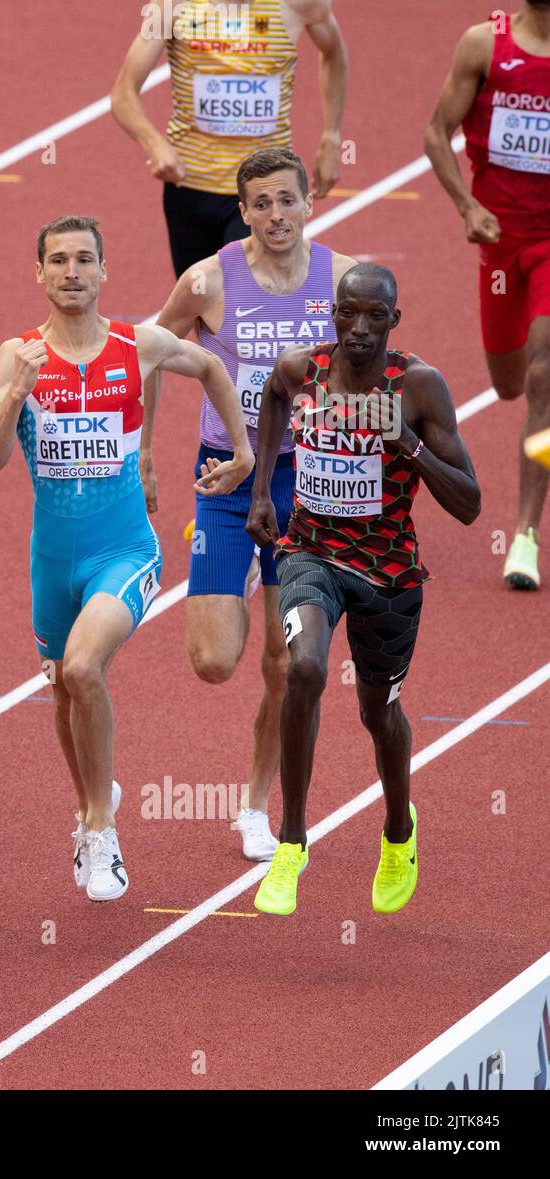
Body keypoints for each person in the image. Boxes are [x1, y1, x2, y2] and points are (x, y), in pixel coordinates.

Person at [0, 215, 254, 901]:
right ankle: (91, 802)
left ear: (103, 272)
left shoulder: (141, 343)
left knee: (82, 666)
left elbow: (213, 365)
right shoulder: (19, 356)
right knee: (66, 691)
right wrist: (14, 394)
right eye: (58, 260)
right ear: (38, 273)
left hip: (125, 551)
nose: (71, 271)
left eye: (84, 260)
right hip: (51, 562)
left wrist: (242, 451)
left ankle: (102, 827)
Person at [246, 264, 481, 916]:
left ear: (392, 321)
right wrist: (264, 489)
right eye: (348, 313)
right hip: (311, 553)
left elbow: (468, 503)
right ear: (334, 316)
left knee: (378, 714)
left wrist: (404, 442)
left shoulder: (419, 387)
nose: (359, 328)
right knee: (305, 667)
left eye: (374, 316)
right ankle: (292, 841)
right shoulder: (303, 370)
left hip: (388, 574)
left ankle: (399, 830)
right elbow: (270, 397)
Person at [146, 146, 356, 860]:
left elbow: (379, 377)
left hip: (310, 482)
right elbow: (149, 348)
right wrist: (142, 449)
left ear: (308, 202)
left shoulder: (345, 281)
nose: (276, 215)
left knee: (286, 661)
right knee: (213, 659)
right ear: (243, 212)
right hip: (227, 480)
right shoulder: (208, 280)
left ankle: (257, 807)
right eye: (261, 203)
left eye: (286, 200)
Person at [424, 1, 550, 589]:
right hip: (499, 242)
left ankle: (524, 535)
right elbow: (434, 133)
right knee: (509, 383)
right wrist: (467, 206)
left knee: (543, 379)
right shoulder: (485, 45)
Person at [110, 0, 348, 277]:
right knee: (199, 301)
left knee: (248, 296)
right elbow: (123, 93)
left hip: (265, 187)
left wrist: (332, 137)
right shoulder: (172, 8)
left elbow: (333, 53)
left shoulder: (298, 4)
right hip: (191, 184)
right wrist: (155, 144)